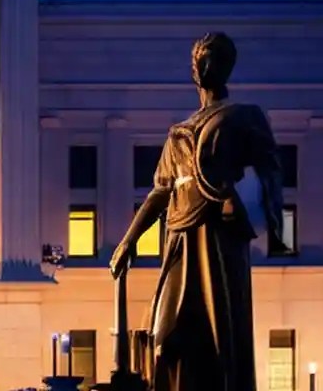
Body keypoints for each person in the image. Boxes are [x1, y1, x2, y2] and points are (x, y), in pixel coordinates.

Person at [109, 32, 285, 391]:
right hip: (179, 236)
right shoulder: (179, 131)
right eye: (199, 60)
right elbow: (160, 191)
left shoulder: (244, 116)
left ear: (226, 68)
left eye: (212, 60)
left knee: (219, 334)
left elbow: (270, 172)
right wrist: (128, 241)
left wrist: (242, 201)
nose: (203, 67)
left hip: (218, 236)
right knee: (164, 334)